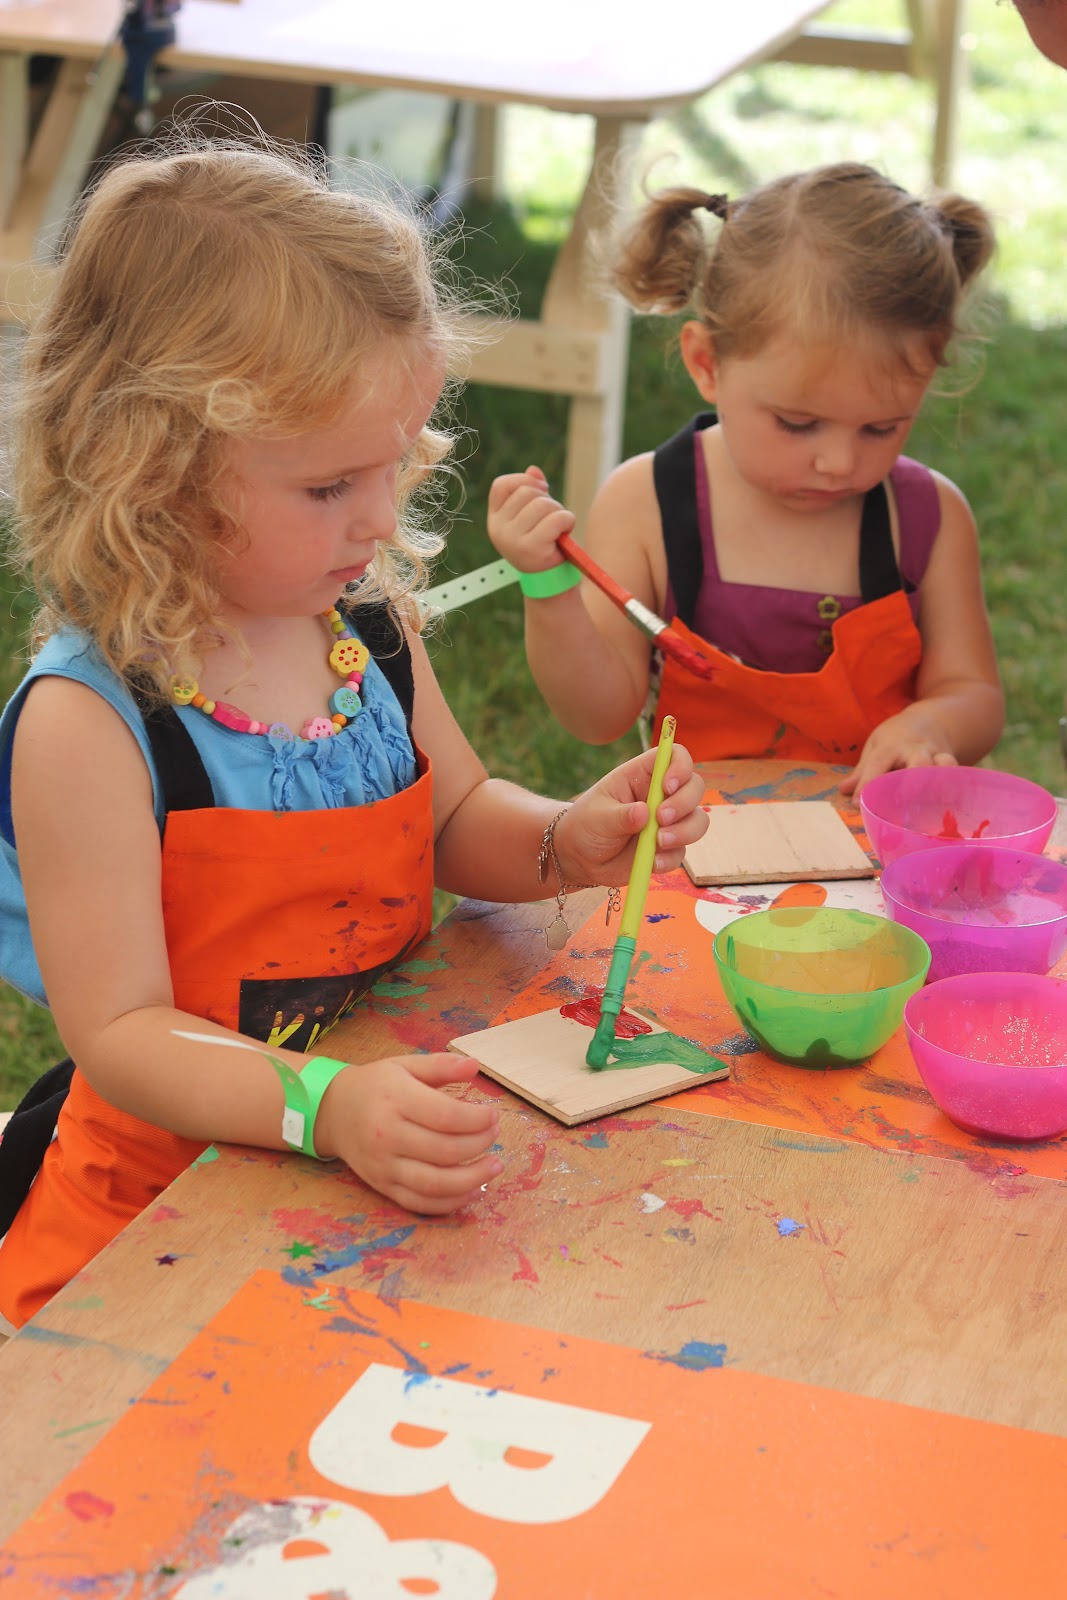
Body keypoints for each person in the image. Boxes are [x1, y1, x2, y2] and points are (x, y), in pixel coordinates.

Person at [0, 136, 708, 1329]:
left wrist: (564, 838)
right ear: (153, 469)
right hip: (160, 1218)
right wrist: (322, 1104)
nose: (379, 519)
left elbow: (456, 818)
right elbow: (119, 1031)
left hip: (385, 1156)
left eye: (389, 468)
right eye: (328, 488)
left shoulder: (363, 629)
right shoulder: (93, 722)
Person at [487, 162, 1005, 796]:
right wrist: (548, 587)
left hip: (878, 852)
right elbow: (598, 715)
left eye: (882, 428)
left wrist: (933, 724)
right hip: (704, 855)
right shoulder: (646, 502)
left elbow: (973, 694)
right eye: (798, 423)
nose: (841, 463)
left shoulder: (927, 515)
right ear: (707, 364)